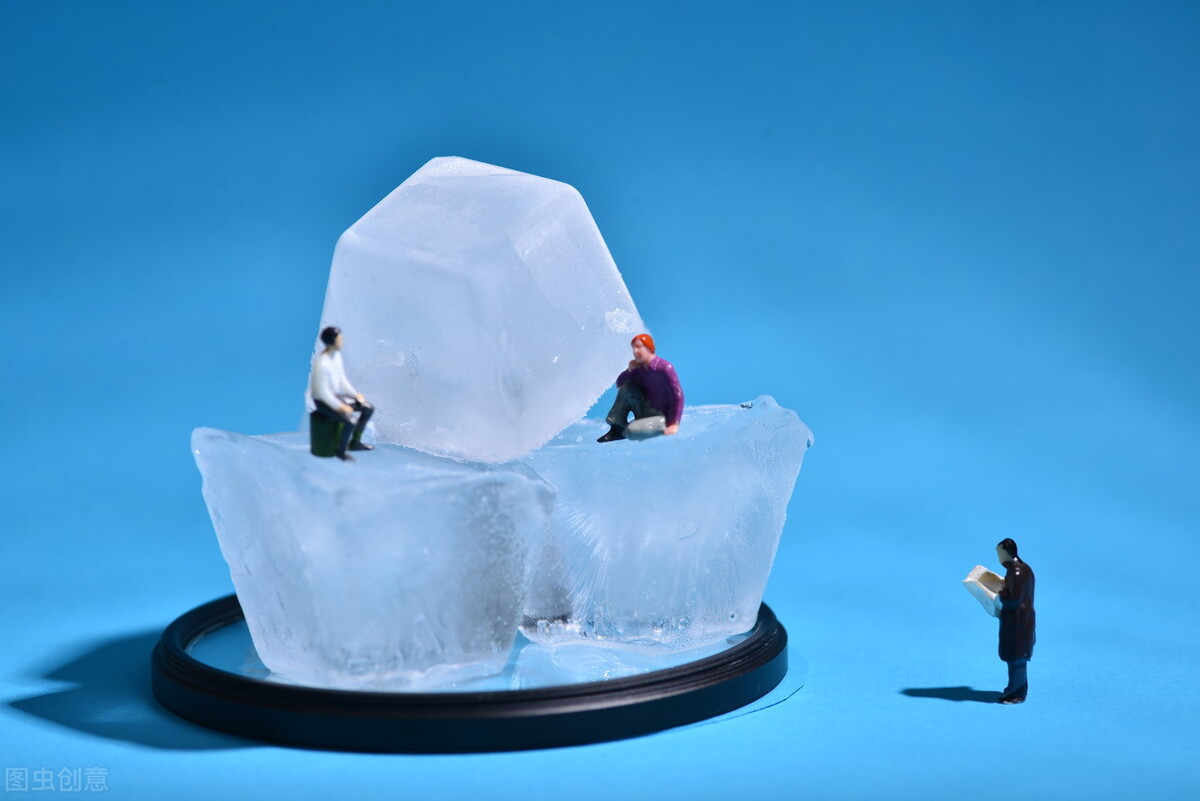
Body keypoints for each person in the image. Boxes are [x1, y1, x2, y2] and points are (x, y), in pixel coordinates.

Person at [597, 333, 684, 443]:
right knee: (627, 387)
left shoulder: (665, 367)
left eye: (638, 347)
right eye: (633, 348)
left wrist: (674, 423)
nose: (635, 351)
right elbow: (619, 384)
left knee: (631, 432)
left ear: (649, 348)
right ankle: (617, 427)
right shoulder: (639, 368)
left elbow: (678, 395)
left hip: (661, 416)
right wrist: (629, 371)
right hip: (644, 409)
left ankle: (627, 431)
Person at [310, 326, 374, 461]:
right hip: (323, 402)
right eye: (340, 339)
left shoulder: (336, 356)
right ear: (332, 341)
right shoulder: (322, 363)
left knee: (368, 408)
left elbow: (341, 380)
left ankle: (355, 442)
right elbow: (322, 392)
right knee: (350, 421)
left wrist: (354, 395)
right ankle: (340, 451)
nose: (342, 342)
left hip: (338, 398)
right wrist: (340, 406)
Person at [995, 538, 1036, 704]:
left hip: (1017, 622)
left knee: (1016, 658)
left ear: (1006, 552)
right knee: (1018, 658)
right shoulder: (1025, 569)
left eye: (999, 553)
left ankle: (1016, 692)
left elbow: (1013, 599)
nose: (999, 557)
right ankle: (1018, 688)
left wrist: (998, 593)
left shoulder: (1016, 573)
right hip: (1023, 620)